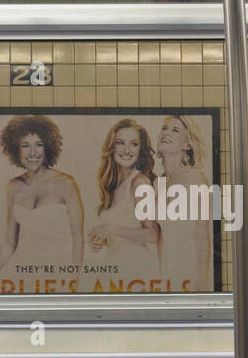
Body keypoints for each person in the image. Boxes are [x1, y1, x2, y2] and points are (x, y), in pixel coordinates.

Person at [0, 114, 83, 289]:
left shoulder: (66, 184)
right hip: (23, 272)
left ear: (48, 147)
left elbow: (78, 238)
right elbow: (9, 242)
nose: (33, 153)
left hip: (59, 272)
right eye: (25, 145)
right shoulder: (13, 187)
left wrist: (73, 279)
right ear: (16, 150)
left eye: (39, 145)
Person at [87, 118, 160, 285]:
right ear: (112, 147)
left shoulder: (139, 183)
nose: (126, 150)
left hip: (138, 270)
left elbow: (153, 234)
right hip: (117, 269)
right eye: (120, 143)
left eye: (134, 144)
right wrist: (100, 241)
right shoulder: (112, 185)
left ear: (140, 149)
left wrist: (111, 229)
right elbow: (121, 232)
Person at [156, 114, 213, 292]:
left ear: (187, 145)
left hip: (191, 272)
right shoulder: (157, 184)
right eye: (164, 128)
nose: (166, 133)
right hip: (165, 272)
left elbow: (203, 236)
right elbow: (159, 236)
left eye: (175, 130)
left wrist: (202, 278)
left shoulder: (196, 179)